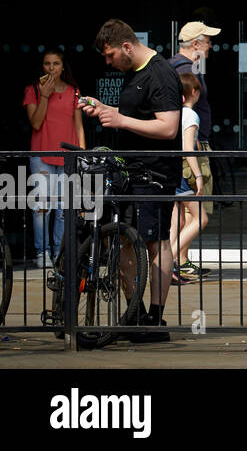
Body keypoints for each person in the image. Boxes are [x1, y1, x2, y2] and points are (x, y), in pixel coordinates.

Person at [83, 19, 183, 343]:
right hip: (129, 171)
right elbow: (134, 116)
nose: (108, 62)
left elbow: (168, 127)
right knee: (122, 240)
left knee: (155, 243)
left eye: (111, 55)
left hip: (154, 175)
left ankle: (154, 317)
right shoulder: (134, 74)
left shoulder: (162, 74)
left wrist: (121, 119)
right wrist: (105, 109)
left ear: (127, 46)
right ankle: (134, 313)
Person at [22, 49, 85, 266]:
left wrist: (82, 155)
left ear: (62, 66)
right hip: (41, 155)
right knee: (42, 207)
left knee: (62, 210)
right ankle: (42, 252)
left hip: (67, 157)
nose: (51, 68)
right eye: (47, 64)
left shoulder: (74, 91)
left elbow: (78, 125)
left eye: (56, 63)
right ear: (42, 66)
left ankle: (59, 253)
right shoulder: (33, 90)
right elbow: (36, 123)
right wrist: (45, 96)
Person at [170, 73, 212, 283]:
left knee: (178, 220)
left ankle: (167, 269)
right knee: (200, 218)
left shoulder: (174, 113)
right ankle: (169, 259)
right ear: (194, 92)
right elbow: (188, 149)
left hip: (170, 171)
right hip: (181, 173)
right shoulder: (191, 116)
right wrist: (198, 176)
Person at [170, 21, 218, 146]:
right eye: (208, 42)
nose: (210, 46)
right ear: (195, 44)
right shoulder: (187, 70)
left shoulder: (174, 65)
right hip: (192, 144)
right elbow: (186, 109)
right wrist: (195, 144)